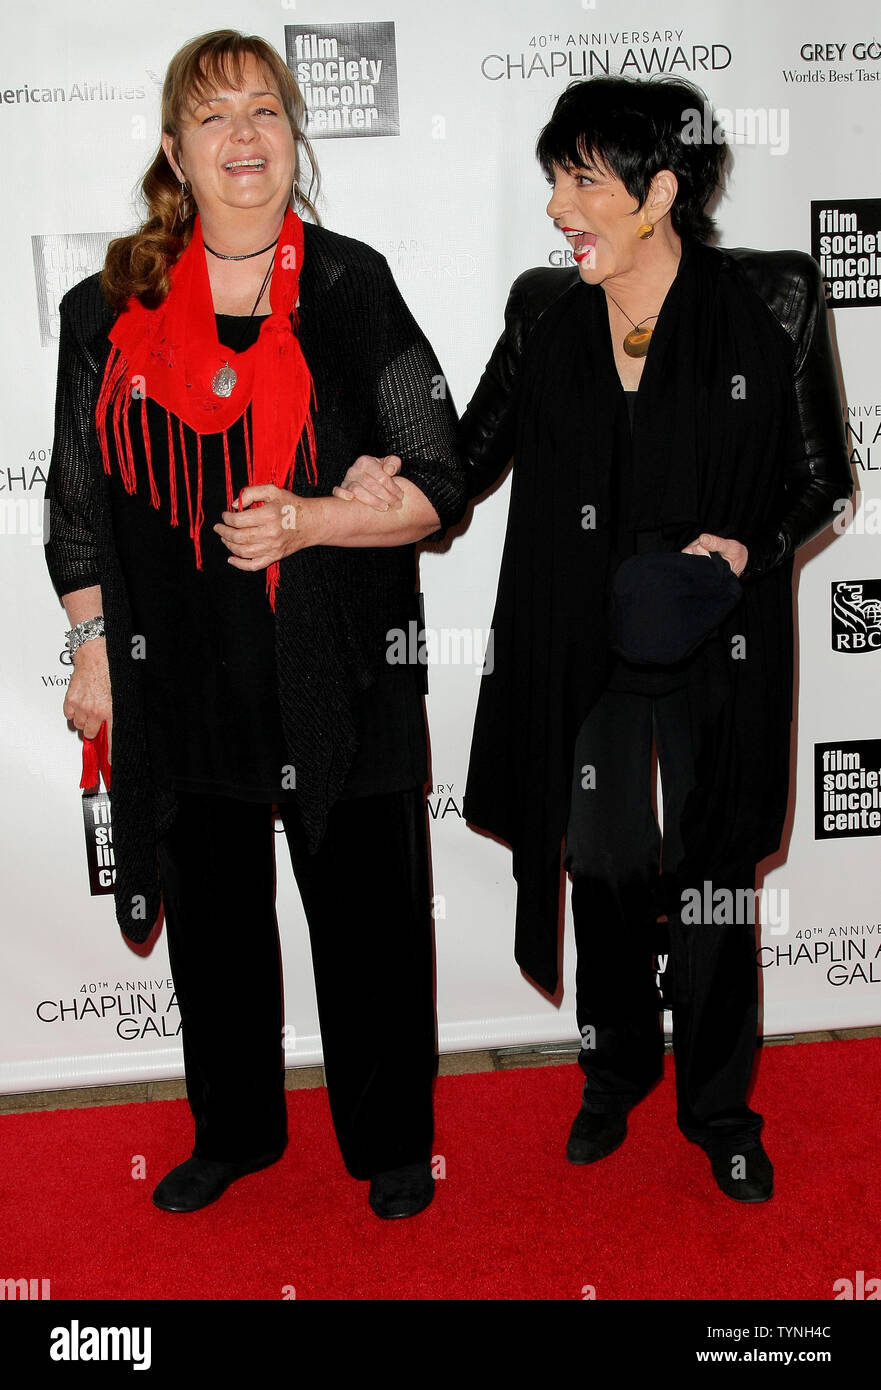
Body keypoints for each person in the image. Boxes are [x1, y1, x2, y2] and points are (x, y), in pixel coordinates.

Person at [352, 76, 851, 1202]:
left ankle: (718, 1105)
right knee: (610, 865)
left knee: (715, 874)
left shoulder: (770, 300)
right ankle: (615, 1066)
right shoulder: (543, 310)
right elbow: (466, 456)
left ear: (657, 190)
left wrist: (744, 551)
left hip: (713, 634)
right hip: (580, 644)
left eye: (581, 180)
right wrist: (388, 474)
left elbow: (822, 481)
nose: (556, 206)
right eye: (553, 179)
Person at [45, 29, 466, 1220]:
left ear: (295, 139)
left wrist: (318, 518)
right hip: (182, 675)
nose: (245, 137)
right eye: (215, 116)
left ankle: (388, 1137)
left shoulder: (348, 287)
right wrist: (91, 648)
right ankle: (234, 1129)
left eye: (267, 111)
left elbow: (436, 477)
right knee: (217, 932)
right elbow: (76, 506)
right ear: (174, 152)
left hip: (339, 663)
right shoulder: (103, 311)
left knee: (371, 924)